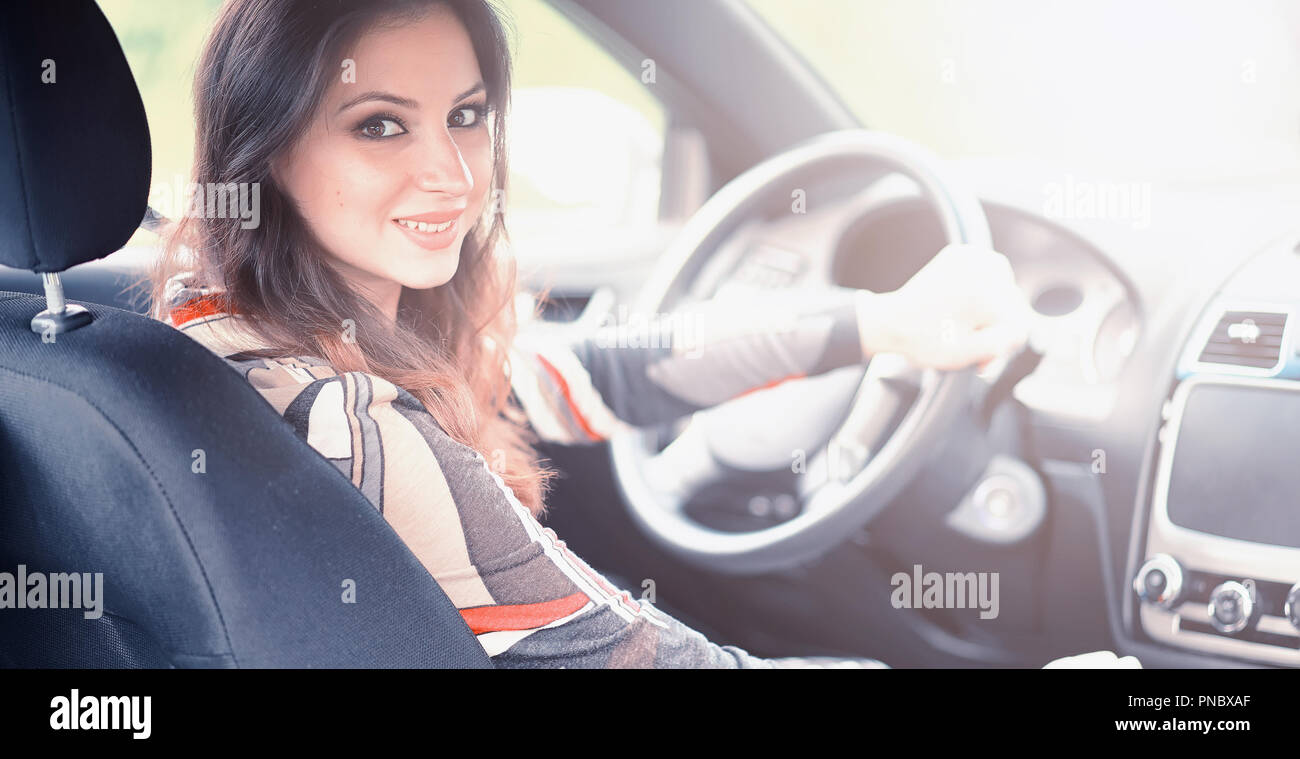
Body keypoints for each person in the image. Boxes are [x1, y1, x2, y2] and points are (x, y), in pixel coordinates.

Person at [150, 0, 1032, 667]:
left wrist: (879, 322)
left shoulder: (217, 320)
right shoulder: (352, 423)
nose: (454, 175)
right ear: (268, 147)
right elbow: (638, 656)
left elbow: (601, 372)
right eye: (380, 125)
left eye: (466, 115)